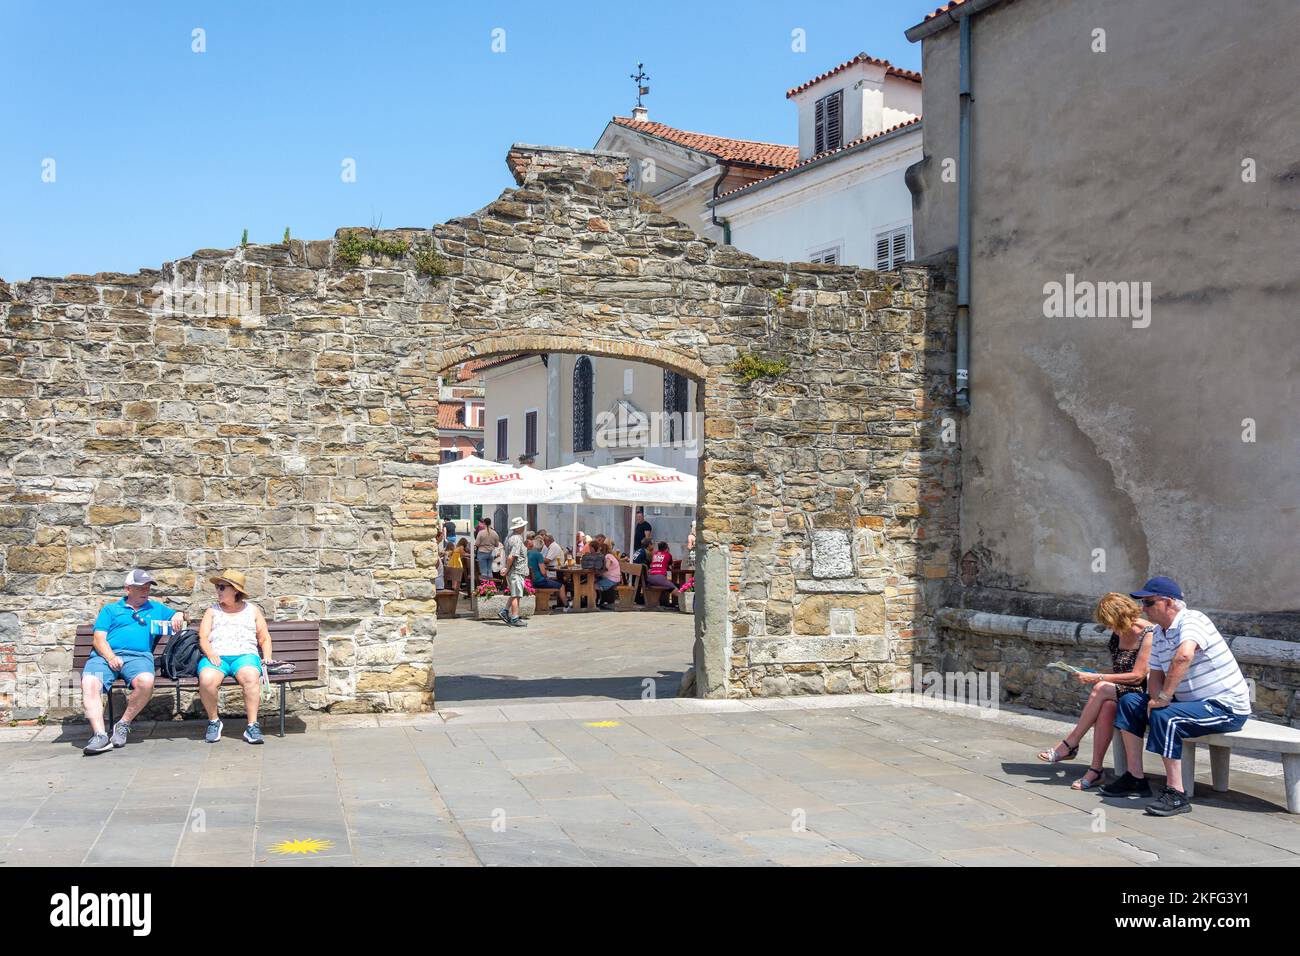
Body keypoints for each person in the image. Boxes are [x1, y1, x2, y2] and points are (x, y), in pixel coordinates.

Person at [1098, 576, 1252, 816]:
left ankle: (1176, 793)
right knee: (1130, 702)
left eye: (1149, 603)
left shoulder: (1193, 620)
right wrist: (1152, 699)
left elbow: (1184, 656)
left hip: (1224, 707)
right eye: (1142, 603)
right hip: (1189, 702)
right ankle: (1135, 777)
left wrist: (1164, 697)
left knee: (1167, 716)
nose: (1143, 609)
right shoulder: (1159, 632)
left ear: (1169, 602)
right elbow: (1156, 672)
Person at [1037, 593, 1154, 790]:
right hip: (1120, 690)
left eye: (1111, 623)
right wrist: (1093, 673)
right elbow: (1119, 671)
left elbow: (1138, 676)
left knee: (1100, 687)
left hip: (1144, 691)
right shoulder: (1118, 634)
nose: (1110, 628)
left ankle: (1070, 743)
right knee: (1107, 705)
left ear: (1123, 617)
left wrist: (1098, 678)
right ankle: (1095, 770)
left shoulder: (1149, 634)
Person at [81, 569, 186, 755]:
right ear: (128, 589)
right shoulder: (111, 610)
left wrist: (179, 614)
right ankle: (99, 735)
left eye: (147, 587)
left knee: (146, 681)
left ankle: (123, 724)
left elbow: (181, 617)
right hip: (105, 656)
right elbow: (98, 639)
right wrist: (110, 657)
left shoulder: (156, 608)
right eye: (140, 587)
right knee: (89, 682)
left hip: (138, 657)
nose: (146, 590)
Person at [197, 570, 273, 744]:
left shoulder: (252, 610)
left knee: (251, 677)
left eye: (222, 587)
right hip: (217, 656)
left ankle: (252, 726)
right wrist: (210, 653)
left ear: (235, 590)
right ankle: (214, 721)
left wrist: (267, 657)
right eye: (217, 587)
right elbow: (203, 636)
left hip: (245, 656)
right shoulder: (212, 611)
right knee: (207, 679)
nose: (218, 591)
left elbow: (264, 636)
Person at [499, 516, 530, 627]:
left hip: (514, 570)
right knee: (516, 595)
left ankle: (505, 610)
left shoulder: (509, 537)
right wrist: (507, 568)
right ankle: (515, 618)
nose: (524, 527)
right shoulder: (517, 538)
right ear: (519, 527)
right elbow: (511, 556)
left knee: (514, 593)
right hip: (516, 570)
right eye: (522, 526)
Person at [528, 537, 569, 610]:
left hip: (531, 581)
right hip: (539, 581)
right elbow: (543, 572)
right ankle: (566, 606)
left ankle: (561, 604)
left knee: (556, 582)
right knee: (561, 586)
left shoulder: (527, 553)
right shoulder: (538, 555)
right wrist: (546, 577)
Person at [596, 541, 622, 610]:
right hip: (613, 578)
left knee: (592, 586)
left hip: (612, 579)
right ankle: (600, 602)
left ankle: (593, 604)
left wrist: (600, 571)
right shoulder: (609, 555)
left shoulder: (608, 556)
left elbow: (607, 567)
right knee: (593, 581)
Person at [475, 517, 500, 585]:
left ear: (484, 523)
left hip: (482, 552)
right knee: (489, 570)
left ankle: (485, 587)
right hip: (491, 553)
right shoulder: (495, 533)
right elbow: (497, 544)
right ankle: (491, 586)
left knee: (483, 571)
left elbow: (477, 543)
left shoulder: (481, 533)